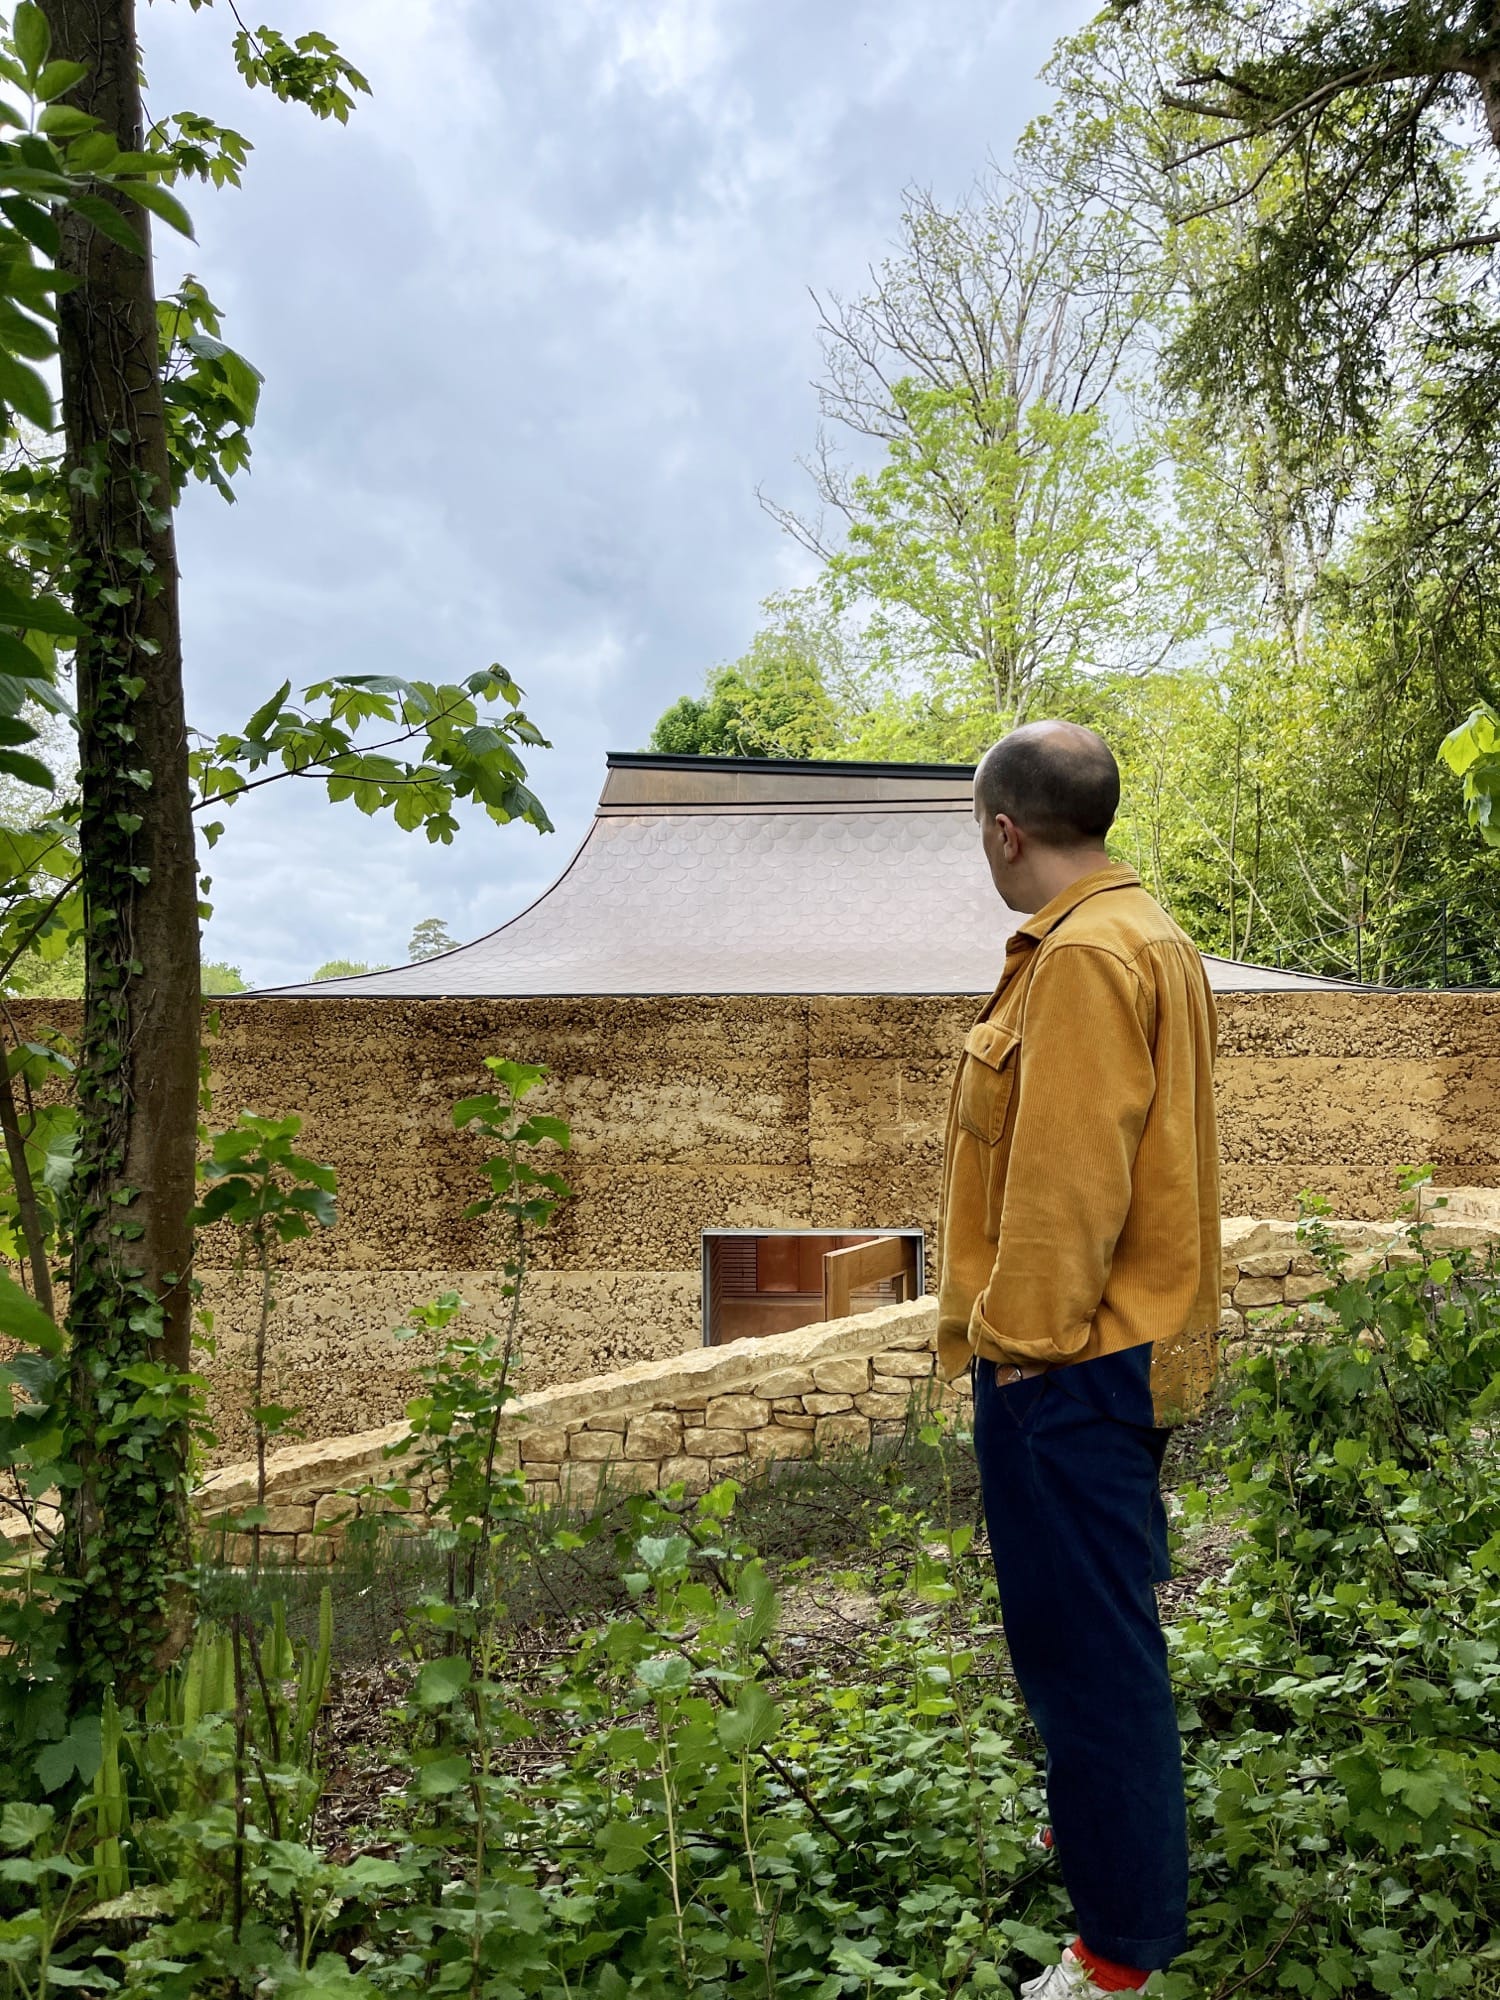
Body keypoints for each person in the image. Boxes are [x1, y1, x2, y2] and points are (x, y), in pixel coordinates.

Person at [937, 721, 1221, 1997]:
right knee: (1075, 1641)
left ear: (1007, 828)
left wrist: (1024, 1356)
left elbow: (1065, 1185)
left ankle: (1115, 1958)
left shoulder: (1086, 957)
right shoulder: (1145, 932)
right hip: (1110, 1354)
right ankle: (1102, 1833)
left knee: (1095, 1660)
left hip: (1070, 1363)